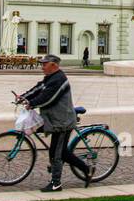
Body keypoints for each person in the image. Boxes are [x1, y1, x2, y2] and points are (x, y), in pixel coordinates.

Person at [18, 54, 91, 192]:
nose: (42, 67)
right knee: (62, 152)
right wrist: (24, 97)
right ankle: (86, 169)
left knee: (57, 153)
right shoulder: (50, 78)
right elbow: (39, 88)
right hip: (53, 119)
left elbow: (48, 98)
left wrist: (32, 104)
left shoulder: (60, 79)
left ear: (54, 65)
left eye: (44, 64)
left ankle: (56, 183)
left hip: (62, 121)